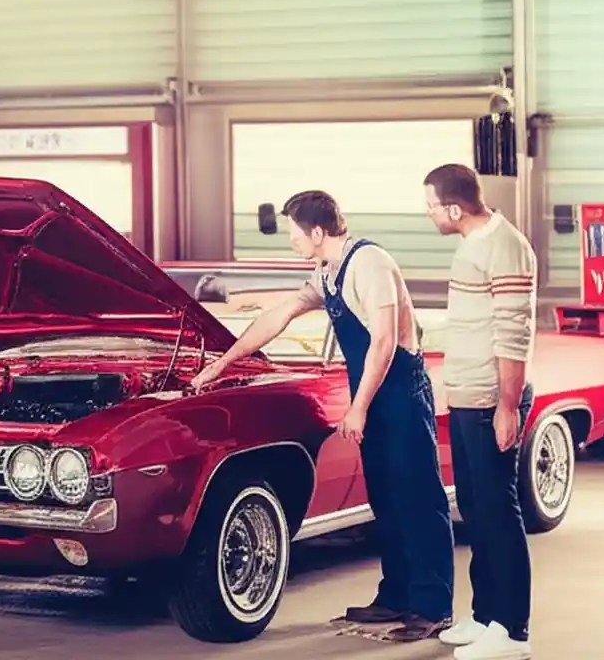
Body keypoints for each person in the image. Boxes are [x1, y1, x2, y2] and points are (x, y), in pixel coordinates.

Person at [191, 190, 455, 642]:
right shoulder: (327, 269)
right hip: (373, 392)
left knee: (417, 497)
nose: (291, 241)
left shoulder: (369, 263)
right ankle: (397, 595)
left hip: (401, 391)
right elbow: (282, 314)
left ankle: (433, 606)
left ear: (317, 232)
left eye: (295, 233)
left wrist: (358, 407)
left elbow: (385, 341)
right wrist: (223, 362)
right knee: (386, 498)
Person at [422, 164, 536, 660]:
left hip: (493, 400)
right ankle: (487, 614)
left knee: (497, 512)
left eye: (430, 205)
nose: (427, 213)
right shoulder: (471, 243)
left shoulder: (505, 246)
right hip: (470, 397)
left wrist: (507, 405)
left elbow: (514, 333)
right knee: (474, 508)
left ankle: (512, 631)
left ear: (453, 208)